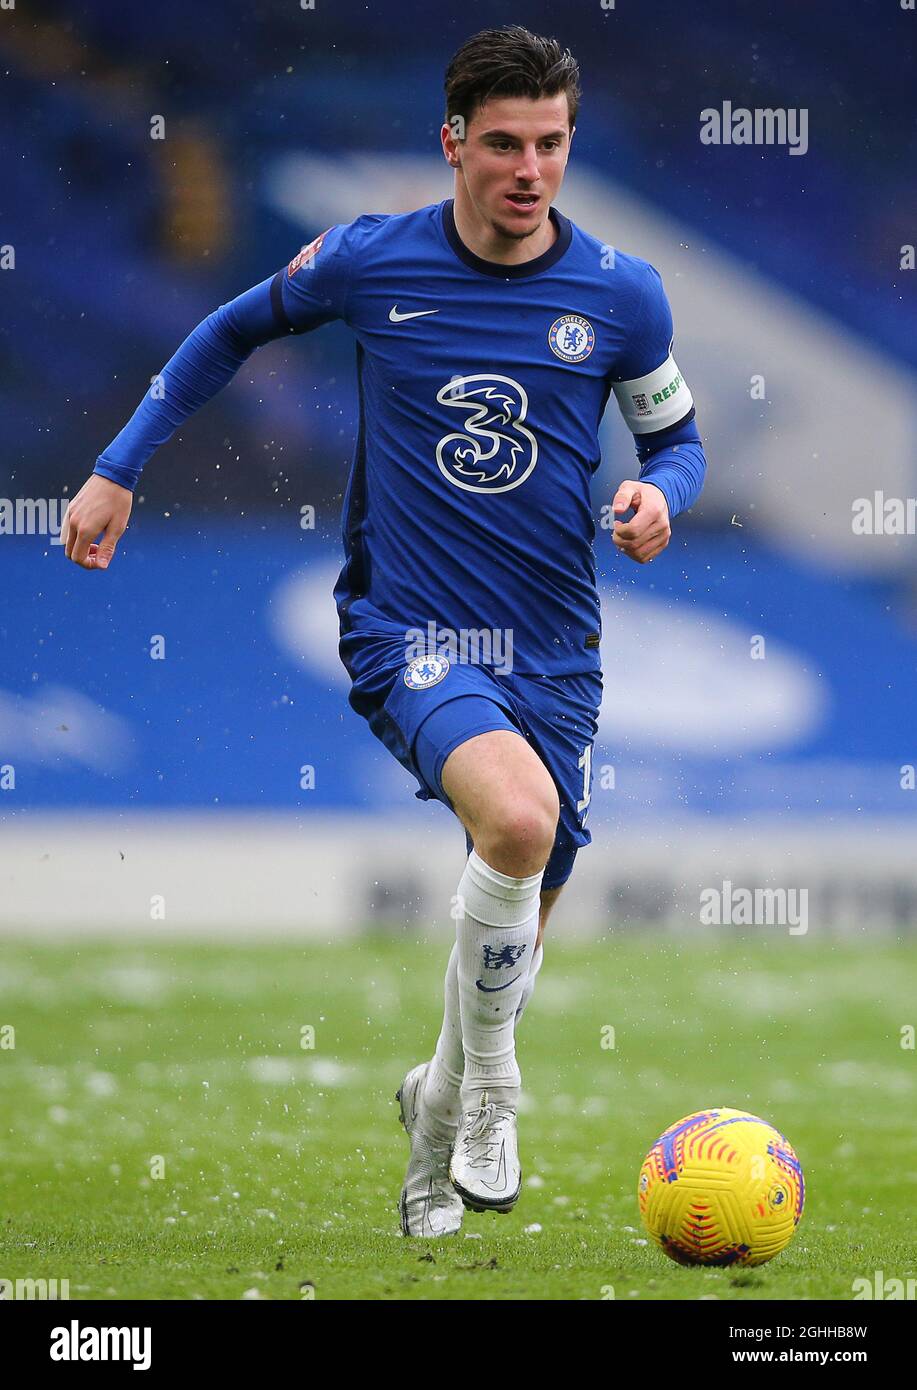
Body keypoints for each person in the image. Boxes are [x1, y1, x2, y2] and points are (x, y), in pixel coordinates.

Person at [63, 25, 706, 1238]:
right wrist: (117, 467)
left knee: (530, 867)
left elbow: (675, 437)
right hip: (407, 624)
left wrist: (657, 496)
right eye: (505, 144)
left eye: (552, 144)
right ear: (454, 143)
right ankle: (493, 1091)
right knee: (519, 822)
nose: (530, 170)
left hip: (556, 649)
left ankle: (443, 1093)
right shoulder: (369, 261)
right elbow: (228, 331)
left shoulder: (622, 292)